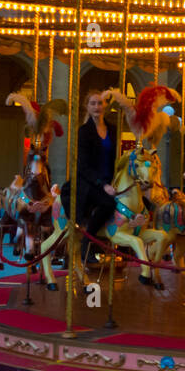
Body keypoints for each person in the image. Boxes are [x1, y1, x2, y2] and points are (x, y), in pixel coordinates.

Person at [73, 90, 119, 264]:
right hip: (90, 181)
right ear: (87, 107)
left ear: (105, 105)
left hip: (110, 179)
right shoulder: (84, 131)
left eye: (100, 103)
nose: (97, 107)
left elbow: (117, 157)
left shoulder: (113, 129)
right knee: (108, 203)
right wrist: (102, 184)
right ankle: (88, 242)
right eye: (93, 103)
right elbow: (83, 165)